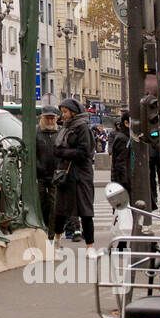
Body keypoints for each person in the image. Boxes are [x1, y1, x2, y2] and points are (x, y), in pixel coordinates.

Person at [53, 98, 96, 247]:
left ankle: (90, 245)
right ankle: (55, 241)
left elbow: (84, 152)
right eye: (62, 112)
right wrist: (62, 152)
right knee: (60, 211)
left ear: (73, 112)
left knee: (85, 212)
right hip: (66, 174)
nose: (62, 115)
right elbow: (56, 150)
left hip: (81, 175)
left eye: (65, 112)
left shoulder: (82, 127)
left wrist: (63, 152)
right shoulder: (66, 127)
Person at [35, 107, 60, 236]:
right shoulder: (36, 132)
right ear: (42, 118)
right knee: (41, 204)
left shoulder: (60, 133)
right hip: (40, 175)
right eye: (47, 118)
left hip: (56, 176)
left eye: (52, 118)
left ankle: (51, 233)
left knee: (54, 205)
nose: (50, 120)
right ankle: (42, 230)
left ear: (56, 119)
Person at [109, 113, 131, 202]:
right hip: (123, 183)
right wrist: (126, 183)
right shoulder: (122, 138)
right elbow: (121, 163)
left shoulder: (127, 136)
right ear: (126, 123)